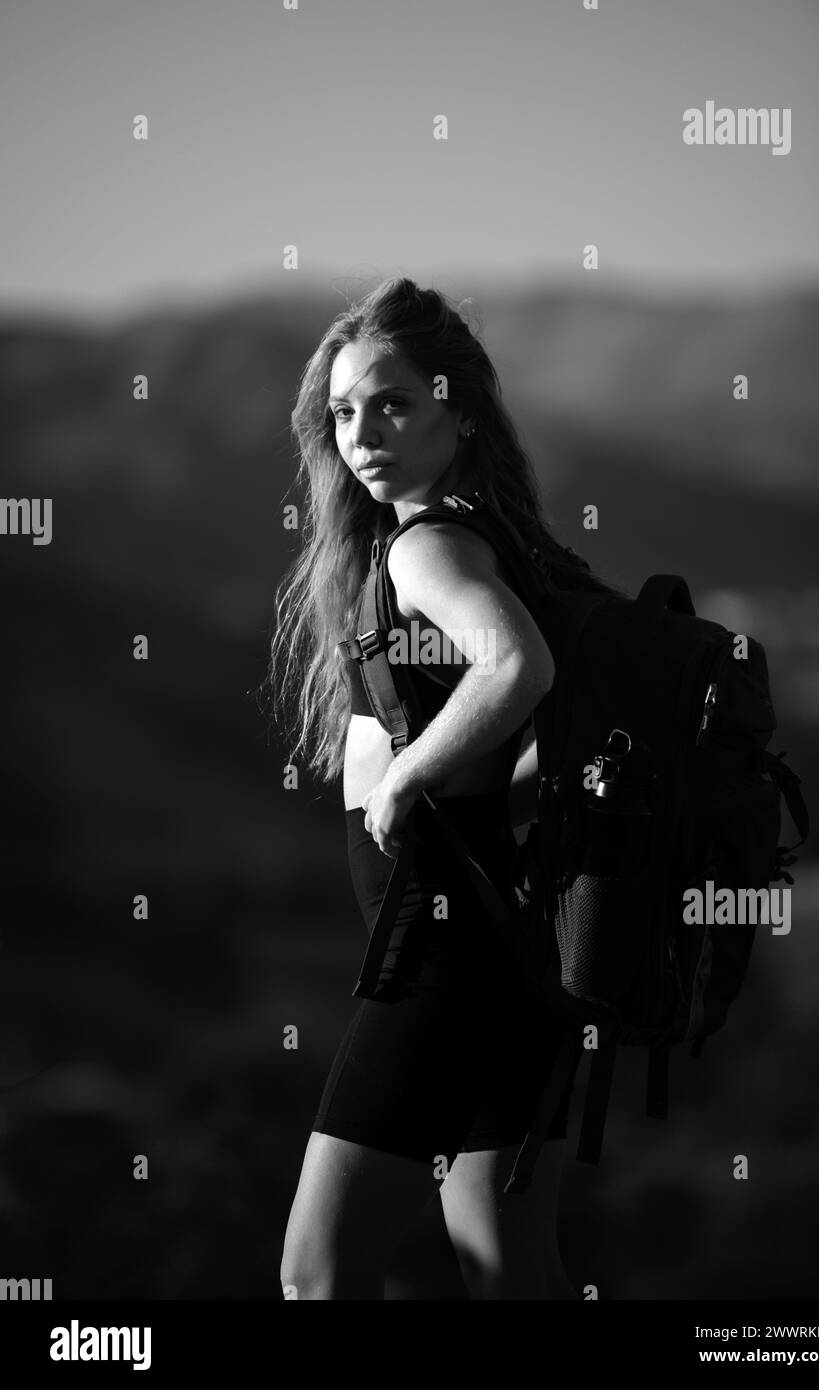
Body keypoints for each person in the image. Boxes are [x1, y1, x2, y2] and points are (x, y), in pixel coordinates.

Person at [262, 277, 610, 1300]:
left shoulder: (427, 549)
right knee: (510, 1273)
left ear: (456, 410)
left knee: (311, 1276)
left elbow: (519, 667)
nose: (361, 432)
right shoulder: (489, 535)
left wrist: (408, 774)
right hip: (513, 941)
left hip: (449, 953)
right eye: (341, 411)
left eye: (391, 403)